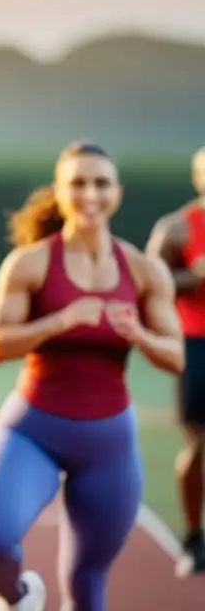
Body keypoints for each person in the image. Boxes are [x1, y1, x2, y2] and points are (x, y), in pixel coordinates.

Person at [0, 141, 184, 611]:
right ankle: (21, 597)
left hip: (108, 443)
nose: (90, 194)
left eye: (101, 183)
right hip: (33, 432)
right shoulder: (30, 263)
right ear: (60, 192)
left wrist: (139, 334)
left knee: (87, 584)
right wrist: (60, 321)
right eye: (78, 183)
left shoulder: (144, 272)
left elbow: (175, 358)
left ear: (117, 192)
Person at [145, 145, 205, 577]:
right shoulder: (178, 228)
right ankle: (193, 537)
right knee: (198, 442)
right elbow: (151, 280)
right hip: (197, 343)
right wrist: (195, 276)